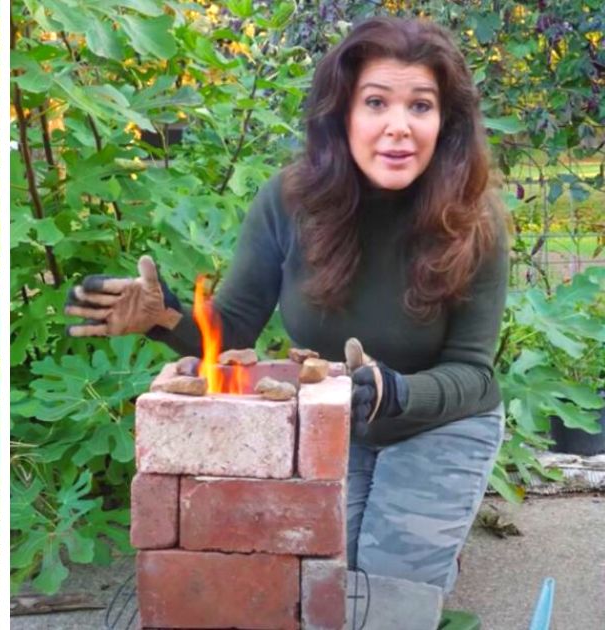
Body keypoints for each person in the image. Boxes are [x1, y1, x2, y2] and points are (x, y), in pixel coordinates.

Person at [65, 16, 508, 595]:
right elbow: (232, 328)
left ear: (445, 122)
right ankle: (419, 545)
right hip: (337, 421)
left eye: (420, 107)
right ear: (342, 114)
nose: (398, 127)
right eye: (376, 102)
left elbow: (475, 376)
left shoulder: (473, 219)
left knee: (382, 596)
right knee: (317, 581)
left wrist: (398, 392)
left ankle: (425, 549)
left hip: (440, 422)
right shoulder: (291, 200)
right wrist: (164, 316)